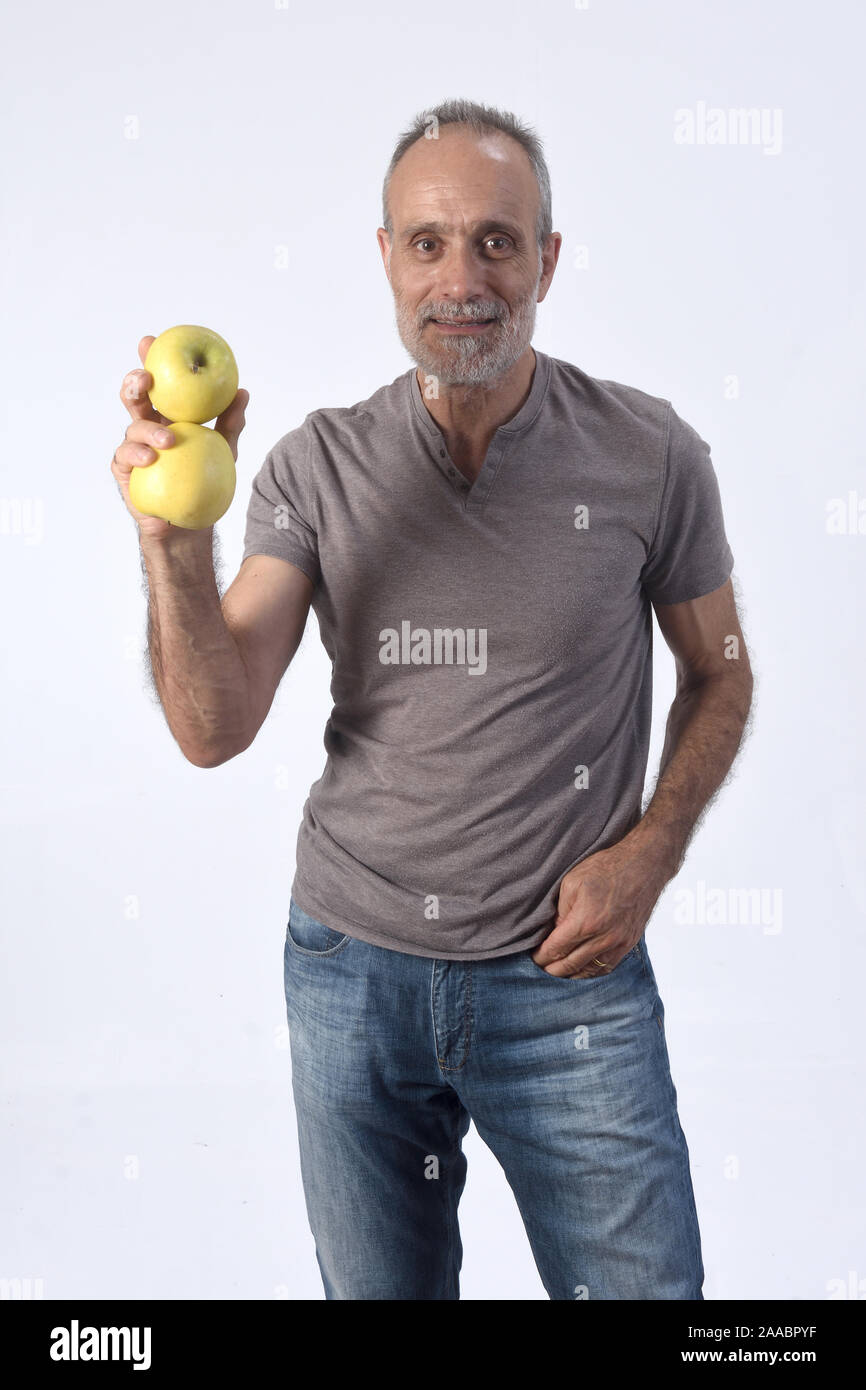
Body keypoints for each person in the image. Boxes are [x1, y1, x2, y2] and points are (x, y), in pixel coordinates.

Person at [111, 98, 753, 1300]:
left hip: (567, 985)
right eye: (427, 241)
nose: (461, 278)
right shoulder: (316, 466)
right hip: (350, 977)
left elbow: (719, 668)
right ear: (386, 259)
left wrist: (651, 853)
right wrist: (169, 539)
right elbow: (213, 725)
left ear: (547, 261)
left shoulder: (650, 455)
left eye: (496, 242)